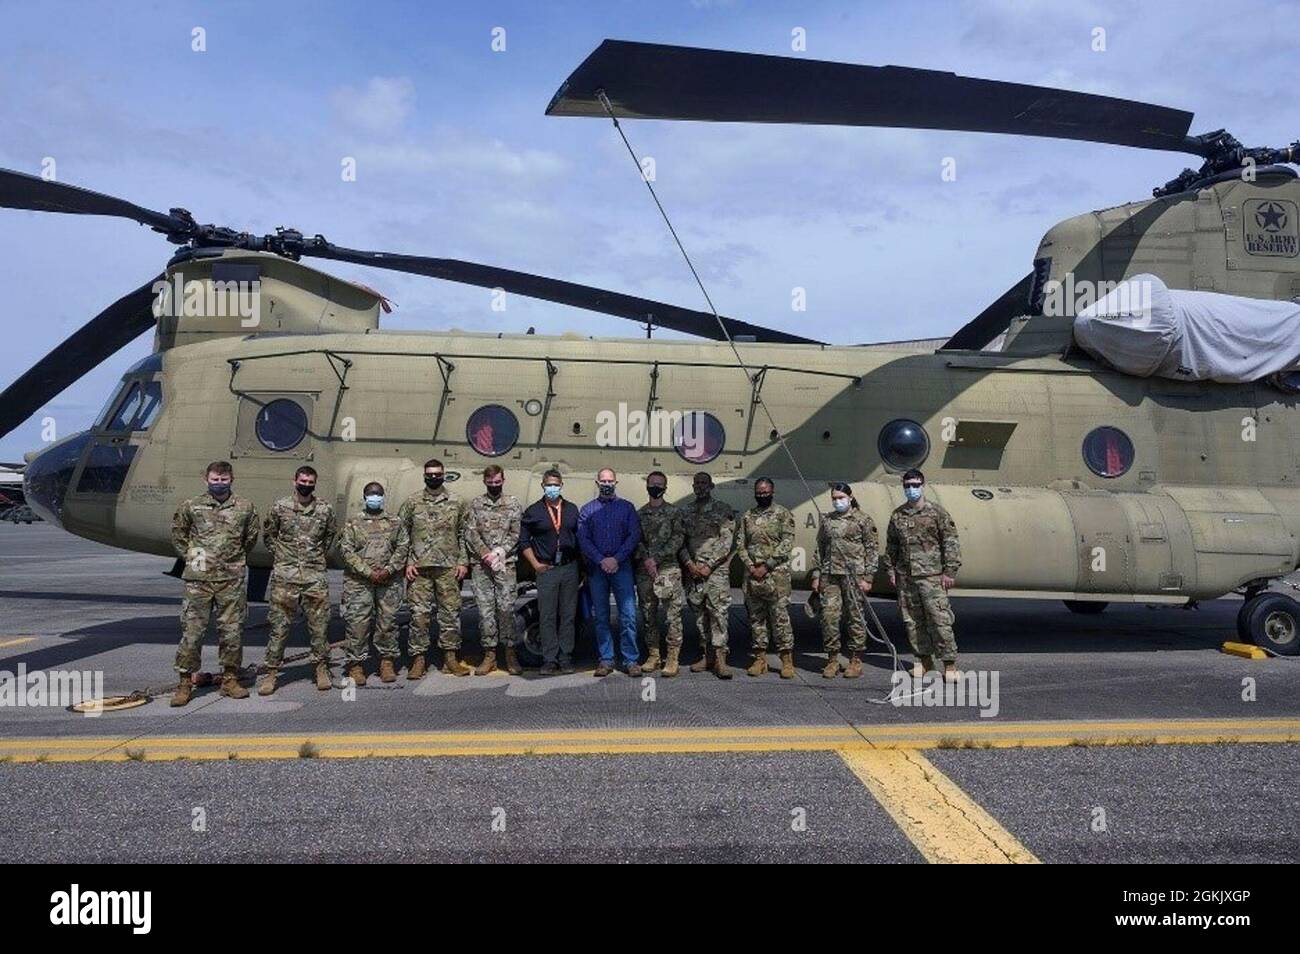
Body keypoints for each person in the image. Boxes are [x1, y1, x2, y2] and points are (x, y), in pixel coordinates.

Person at [168, 461, 259, 706]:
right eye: (215, 479)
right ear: (206, 479)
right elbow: (178, 534)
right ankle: (185, 684)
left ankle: (230, 680)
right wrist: (194, 558)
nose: (219, 483)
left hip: (231, 580)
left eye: (224, 479)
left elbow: (250, 538)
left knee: (232, 632)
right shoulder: (192, 506)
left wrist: (231, 560)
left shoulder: (245, 507)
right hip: (198, 580)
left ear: (231, 479)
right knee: (192, 633)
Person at [260, 465, 338, 695]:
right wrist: (285, 557)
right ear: (294, 481)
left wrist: (314, 558)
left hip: (314, 576)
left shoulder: (324, 509)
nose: (306, 484)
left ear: (315, 483)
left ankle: (321, 669)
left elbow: (330, 536)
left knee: (320, 626)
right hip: (286, 576)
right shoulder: (280, 507)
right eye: (303, 481)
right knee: (279, 626)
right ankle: (272, 673)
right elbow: (269, 535)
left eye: (310, 481)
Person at [880, 469, 962, 681]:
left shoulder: (937, 513)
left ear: (923, 485)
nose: (911, 489)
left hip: (932, 577)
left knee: (939, 619)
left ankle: (949, 664)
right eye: (907, 485)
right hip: (906, 578)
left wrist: (949, 571)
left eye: (915, 484)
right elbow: (892, 546)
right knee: (913, 622)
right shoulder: (898, 515)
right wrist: (891, 570)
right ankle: (924, 662)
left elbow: (950, 542)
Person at [400, 459, 470, 679]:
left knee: (449, 615)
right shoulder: (412, 502)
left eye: (437, 474)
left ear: (443, 475)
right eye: (429, 474)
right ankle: (418, 659)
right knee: (419, 616)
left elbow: (463, 534)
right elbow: (402, 535)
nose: (433, 477)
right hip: (419, 568)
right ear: (424, 475)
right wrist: (407, 563)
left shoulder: (457, 502)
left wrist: (463, 562)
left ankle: (450, 657)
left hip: (448, 568)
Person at [338, 482, 407, 685]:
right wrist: (368, 572)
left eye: (377, 494)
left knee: (387, 623)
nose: (374, 498)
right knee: (357, 624)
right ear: (364, 497)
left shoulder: (395, 522)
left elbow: (403, 547)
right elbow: (346, 552)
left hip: (389, 581)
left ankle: (386, 663)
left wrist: (389, 569)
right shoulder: (353, 524)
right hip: (360, 582)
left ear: (383, 497)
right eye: (371, 494)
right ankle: (356, 665)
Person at [577, 467, 642, 676]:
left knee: (628, 615)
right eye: (603, 481)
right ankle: (606, 659)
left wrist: (616, 558)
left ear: (616, 482)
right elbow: (583, 539)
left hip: (621, 566)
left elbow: (633, 536)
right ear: (597, 483)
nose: (606, 484)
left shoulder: (627, 508)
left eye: (610, 480)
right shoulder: (587, 510)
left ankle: (630, 659)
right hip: (598, 569)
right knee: (601, 617)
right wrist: (601, 559)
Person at [811, 482, 878, 679]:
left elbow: (872, 550)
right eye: (834, 498)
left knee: (855, 618)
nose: (837, 501)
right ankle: (832, 659)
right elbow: (820, 548)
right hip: (830, 575)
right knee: (829, 617)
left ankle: (856, 660)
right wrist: (816, 575)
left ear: (850, 497)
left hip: (854, 576)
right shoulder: (827, 520)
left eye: (841, 497)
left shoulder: (863, 520)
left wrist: (868, 578)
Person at [464, 464, 524, 675]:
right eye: (490, 483)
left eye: (497, 482)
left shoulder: (513, 504)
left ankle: (510, 653)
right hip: (482, 566)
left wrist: (499, 552)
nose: (494, 486)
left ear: (503, 480)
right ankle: (489, 655)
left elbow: (516, 533)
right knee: (485, 612)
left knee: (506, 609)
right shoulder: (476, 505)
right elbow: (471, 533)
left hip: (505, 565)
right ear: (485, 482)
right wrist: (484, 554)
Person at [520, 468, 580, 674]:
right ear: (543, 486)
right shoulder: (533, 511)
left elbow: (580, 539)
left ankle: (566, 657)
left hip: (569, 567)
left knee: (568, 615)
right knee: (547, 615)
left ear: (561, 485)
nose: (552, 488)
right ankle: (549, 658)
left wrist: (583, 570)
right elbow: (523, 540)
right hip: (546, 569)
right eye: (548, 485)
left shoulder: (572, 509)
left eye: (555, 484)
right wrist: (535, 564)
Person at [737, 477, 796, 679]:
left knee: (780, 619)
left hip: (776, 575)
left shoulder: (782, 514)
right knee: (756, 620)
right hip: (753, 576)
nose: (762, 495)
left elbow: (787, 542)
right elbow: (740, 545)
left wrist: (767, 565)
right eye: (759, 492)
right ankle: (760, 659)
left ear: (772, 492)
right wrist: (751, 566)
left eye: (765, 491)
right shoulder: (747, 516)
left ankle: (786, 660)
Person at [680, 471, 736, 679]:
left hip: (716, 571)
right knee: (700, 614)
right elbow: (681, 541)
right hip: (694, 572)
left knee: (718, 613)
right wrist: (689, 564)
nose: (700, 486)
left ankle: (721, 658)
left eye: (704, 483)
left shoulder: (722, 510)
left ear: (711, 486)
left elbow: (726, 541)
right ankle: (707, 655)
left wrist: (709, 565)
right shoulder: (686, 512)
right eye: (697, 483)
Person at [634, 471, 686, 676]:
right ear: (647, 486)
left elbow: (678, 539)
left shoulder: (674, 513)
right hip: (645, 571)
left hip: (668, 570)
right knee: (648, 615)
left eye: (659, 484)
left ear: (665, 487)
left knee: (672, 616)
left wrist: (656, 558)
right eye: (652, 484)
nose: (655, 487)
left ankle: (672, 658)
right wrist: (647, 559)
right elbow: (636, 540)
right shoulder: (640, 514)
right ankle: (654, 655)